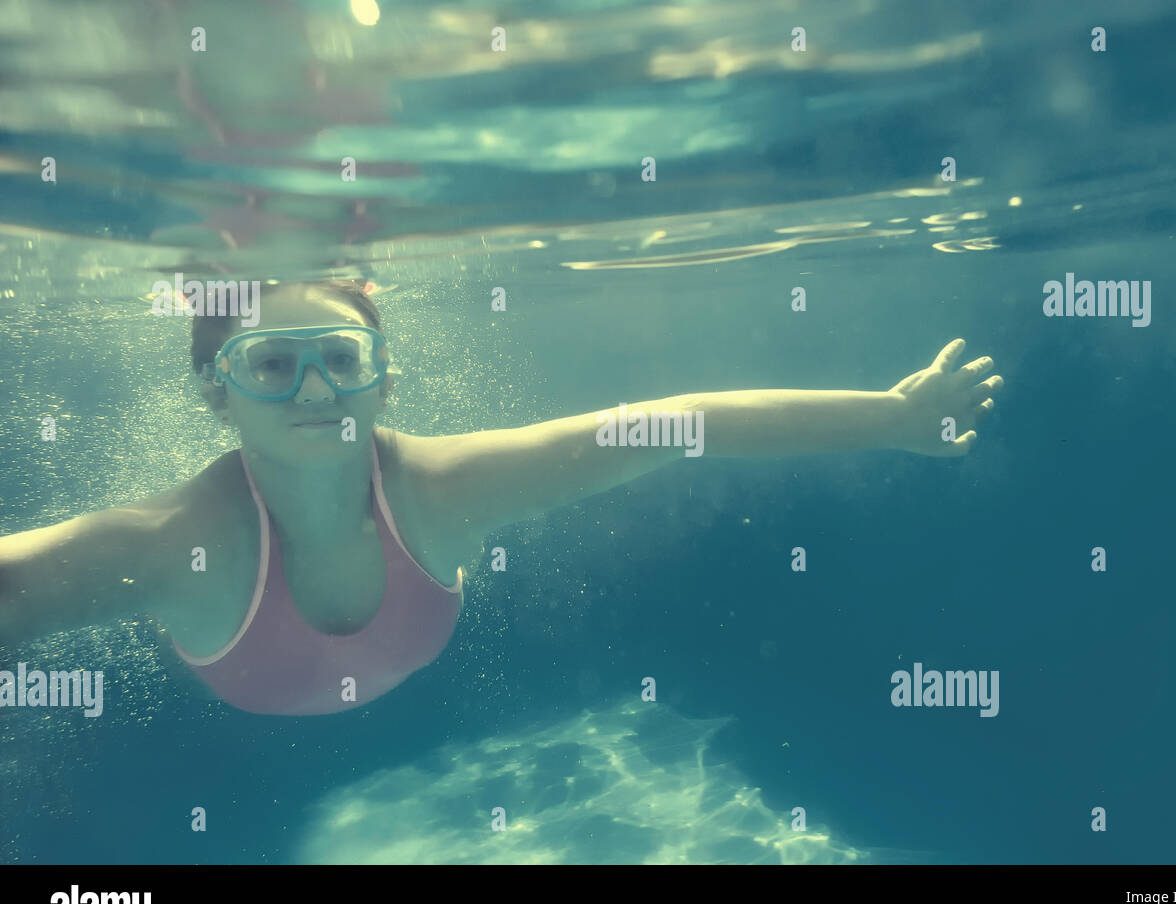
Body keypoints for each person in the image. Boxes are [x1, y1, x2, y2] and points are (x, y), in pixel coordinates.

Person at [0, 279, 1004, 715]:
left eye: (341, 360)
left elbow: (681, 422)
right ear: (216, 391)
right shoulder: (181, 546)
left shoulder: (443, 489)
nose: (313, 392)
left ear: (385, 378)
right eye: (270, 365)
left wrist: (892, 416)